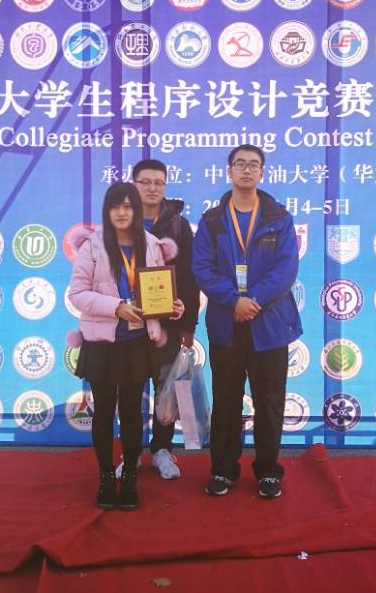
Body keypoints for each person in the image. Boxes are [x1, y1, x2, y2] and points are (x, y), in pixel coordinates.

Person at [192, 145, 302, 499]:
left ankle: (268, 471)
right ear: (229, 171)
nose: (247, 170)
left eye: (254, 164)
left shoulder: (279, 218)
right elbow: (202, 268)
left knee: (269, 401)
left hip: (269, 324)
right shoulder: (212, 220)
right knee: (226, 400)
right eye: (240, 164)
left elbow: (285, 270)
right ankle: (223, 470)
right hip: (227, 324)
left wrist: (252, 301)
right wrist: (233, 300)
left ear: (262, 172)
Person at [67, 182, 184, 511]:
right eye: (115, 206)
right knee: (104, 413)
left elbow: (158, 291)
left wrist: (172, 307)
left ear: (136, 210)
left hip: (136, 343)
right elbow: (77, 294)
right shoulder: (92, 246)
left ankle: (130, 475)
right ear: (107, 211)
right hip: (102, 343)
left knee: (133, 413)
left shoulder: (152, 245)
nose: (121, 212)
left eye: (128, 206)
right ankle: (106, 476)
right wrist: (116, 307)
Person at [119, 159, 200, 480]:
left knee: (167, 390)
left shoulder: (179, 225)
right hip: (129, 325)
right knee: (129, 391)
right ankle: (130, 452)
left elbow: (190, 279)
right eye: (145, 182)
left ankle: (162, 450)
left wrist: (188, 324)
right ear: (134, 184)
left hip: (168, 324)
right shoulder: (121, 220)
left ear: (165, 186)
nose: (152, 188)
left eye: (159, 182)